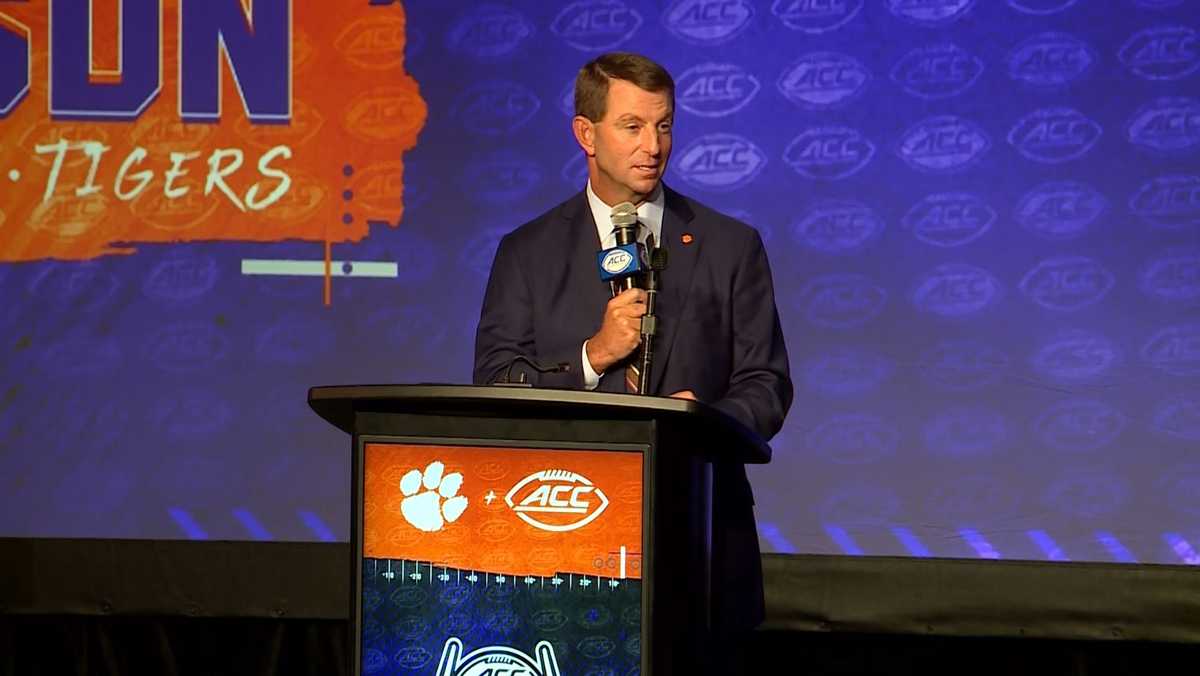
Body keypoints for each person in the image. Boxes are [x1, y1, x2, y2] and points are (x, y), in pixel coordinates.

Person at [473, 52, 792, 672]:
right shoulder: (528, 252)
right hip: (560, 547)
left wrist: (706, 423)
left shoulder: (730, 245)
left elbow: (767, 384)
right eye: (632, 126)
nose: (654, 146)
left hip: (698, 545)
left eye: (664, 125)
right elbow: (493, 381)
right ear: (585, 134)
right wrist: (594, 356)